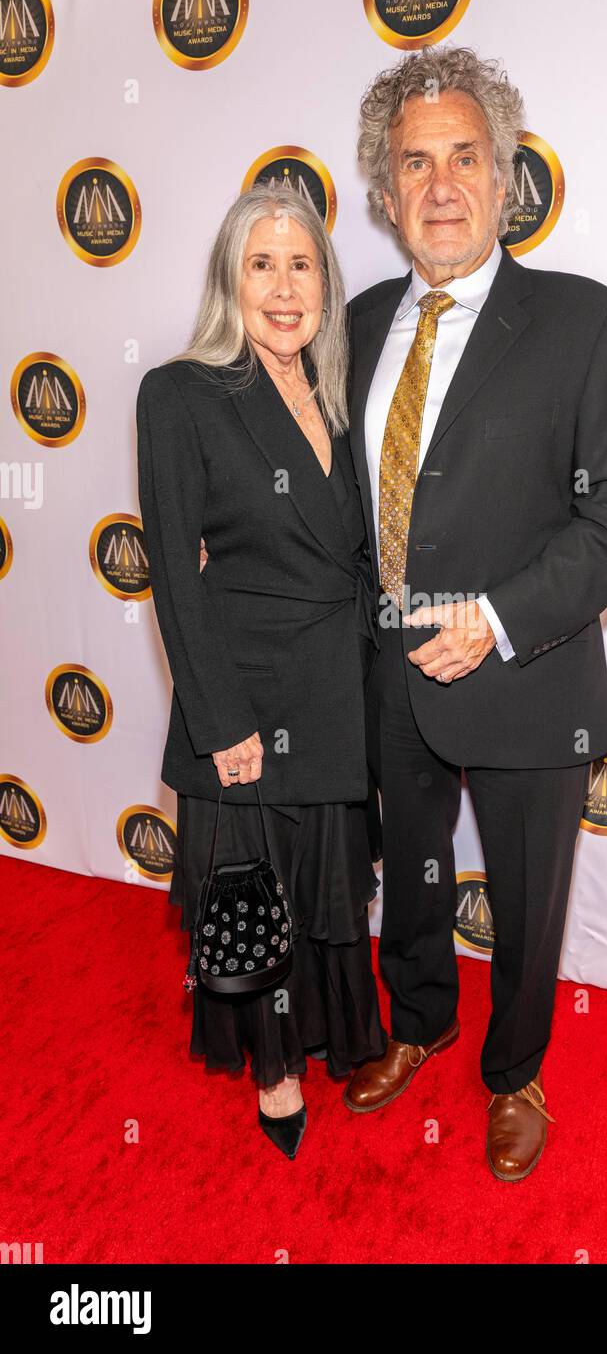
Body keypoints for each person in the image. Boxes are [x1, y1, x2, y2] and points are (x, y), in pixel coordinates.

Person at [343, 45, 607, 1180]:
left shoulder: (586, 322)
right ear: (384, 196)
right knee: (412, 869)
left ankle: (513, 1070)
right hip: (382, 670)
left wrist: (495, 615)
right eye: (414, 164)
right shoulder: (357, 319)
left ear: (505, 176)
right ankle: (419, 1020)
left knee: (529, 898)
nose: (439, 186)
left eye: (463, 158)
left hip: (526, 672)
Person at [136, 187, 387, 1160]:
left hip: (334, 692)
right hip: (243, 690)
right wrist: (219, 718)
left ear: (324, 280)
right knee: (254, 893)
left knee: (325, 887)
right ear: (229, 281)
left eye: (302, 265)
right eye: (261, 265)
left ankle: (327, 1034)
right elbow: (173, 568)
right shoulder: (182, 392)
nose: (284, 288)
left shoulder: (338, 395)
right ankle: (275, 1071)